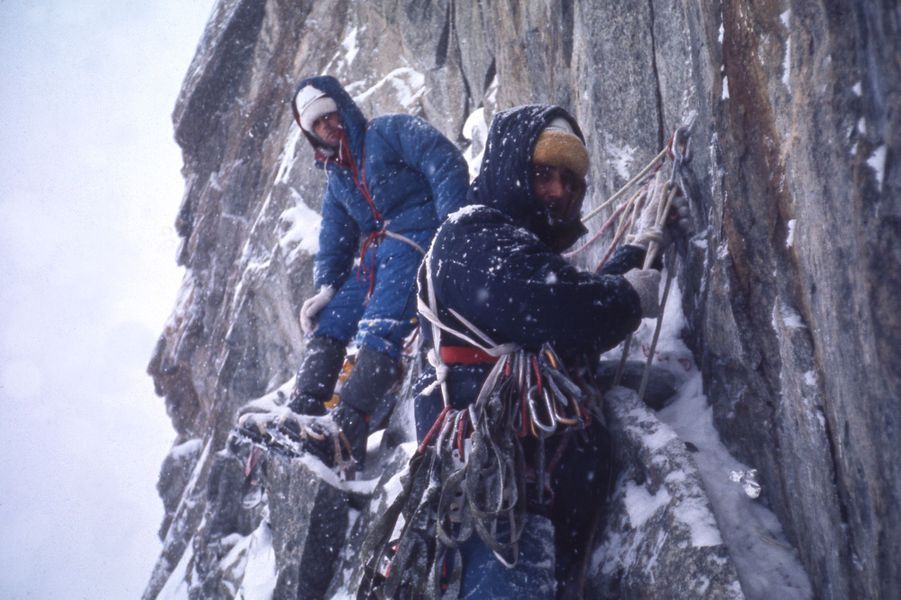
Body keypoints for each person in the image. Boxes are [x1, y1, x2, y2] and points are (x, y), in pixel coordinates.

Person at [399, 104, 675, 597]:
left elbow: (558, 307)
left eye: (570, 182)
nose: (559, 191)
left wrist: (635, 257)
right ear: (511, 169)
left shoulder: (512, 252)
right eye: (544, 173)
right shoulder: (471, 235)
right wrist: (628, 297)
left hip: (518, 507)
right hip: (497, 512)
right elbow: (555, 307)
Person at [244, 75, 469, 469]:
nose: (326, 126)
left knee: (381, 325)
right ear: (310, 134)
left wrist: (453, 227)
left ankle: (345, 433)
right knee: (332, 320)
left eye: (329, 116)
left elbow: (444, 161)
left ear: (343, 110)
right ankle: (304, 410)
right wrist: (327, 288)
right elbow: (335, 238)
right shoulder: (337, 179)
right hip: (376, 255)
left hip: (419, 238)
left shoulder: (389, 132)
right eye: (316, 124)